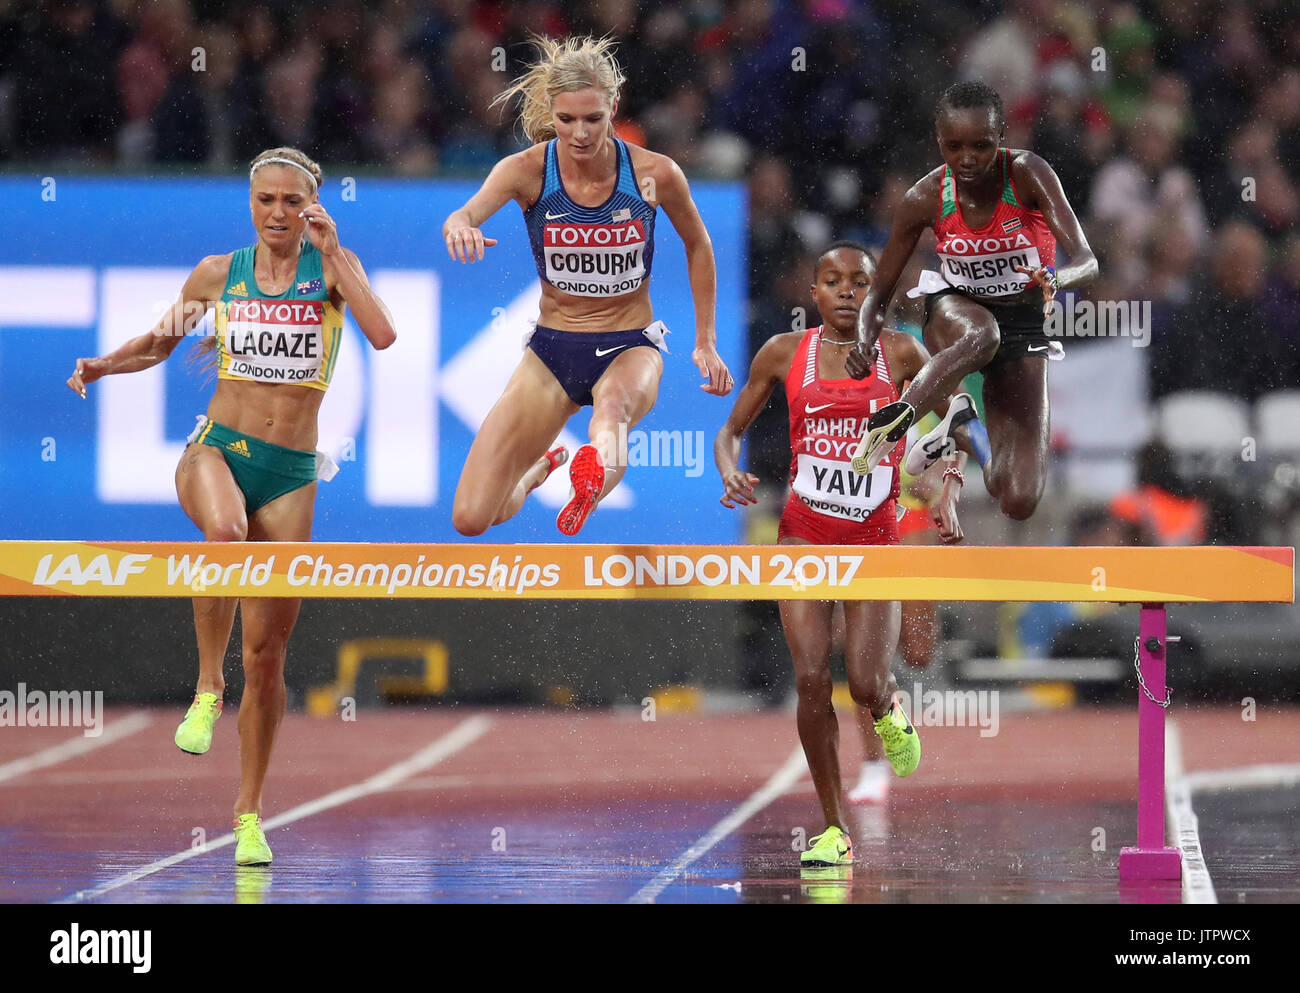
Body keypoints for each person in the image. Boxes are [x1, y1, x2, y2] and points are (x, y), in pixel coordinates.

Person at [67, 147, 397, 865]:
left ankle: (248, 814)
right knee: (224, 530)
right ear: (250, 204)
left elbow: (383, 333)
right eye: (265, 201)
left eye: (291, 202)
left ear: (311, 205)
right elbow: (160, 343)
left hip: (293, 472)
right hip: (217, 450)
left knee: (270, 657)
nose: (277, 214)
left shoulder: (333, 271)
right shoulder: (219, 274)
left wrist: (336, 253)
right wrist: (101, 364)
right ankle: (207, 686)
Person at [715, 242, 967, 868]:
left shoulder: (902, 353)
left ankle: (886, 706)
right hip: (802, 533)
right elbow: (730, 433)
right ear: (815, 293)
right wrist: (728, 471)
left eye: (860, 281)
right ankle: (833, 827)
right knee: (809, 679)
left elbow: (953, 425)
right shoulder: (783, 354)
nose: (848, 292)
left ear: (876, 291)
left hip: (874, 539)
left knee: (864, 681)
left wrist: (944, 488)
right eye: (834, 281)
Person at [443, 36, 732, 538]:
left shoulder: (655, 173)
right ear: (551, 113)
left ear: (613, 108)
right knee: (471, 517)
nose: (579, 133)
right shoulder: (526, 171)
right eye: (567, 119)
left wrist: (705, 341)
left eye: (593, 119)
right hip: (551, 351)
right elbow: (463, 213)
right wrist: (460, 227)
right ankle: (540, 473)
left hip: (630, 344)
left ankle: (591, 482)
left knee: (612, 416)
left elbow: (699, 245)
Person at [848, 81, 1098, 522]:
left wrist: (1055, 278)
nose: (966, 159)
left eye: (981, 146)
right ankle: (897, 421)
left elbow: (1087, 261)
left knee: (1017, 497)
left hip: (1024, 324)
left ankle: (961, 425)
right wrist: (864, 342)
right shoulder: (924, 198)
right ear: (938, 142)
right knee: (983, 332)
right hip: (954, 311)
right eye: (953, 146)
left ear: (1002, 138)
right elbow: (878, 296)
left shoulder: (1028, 174)